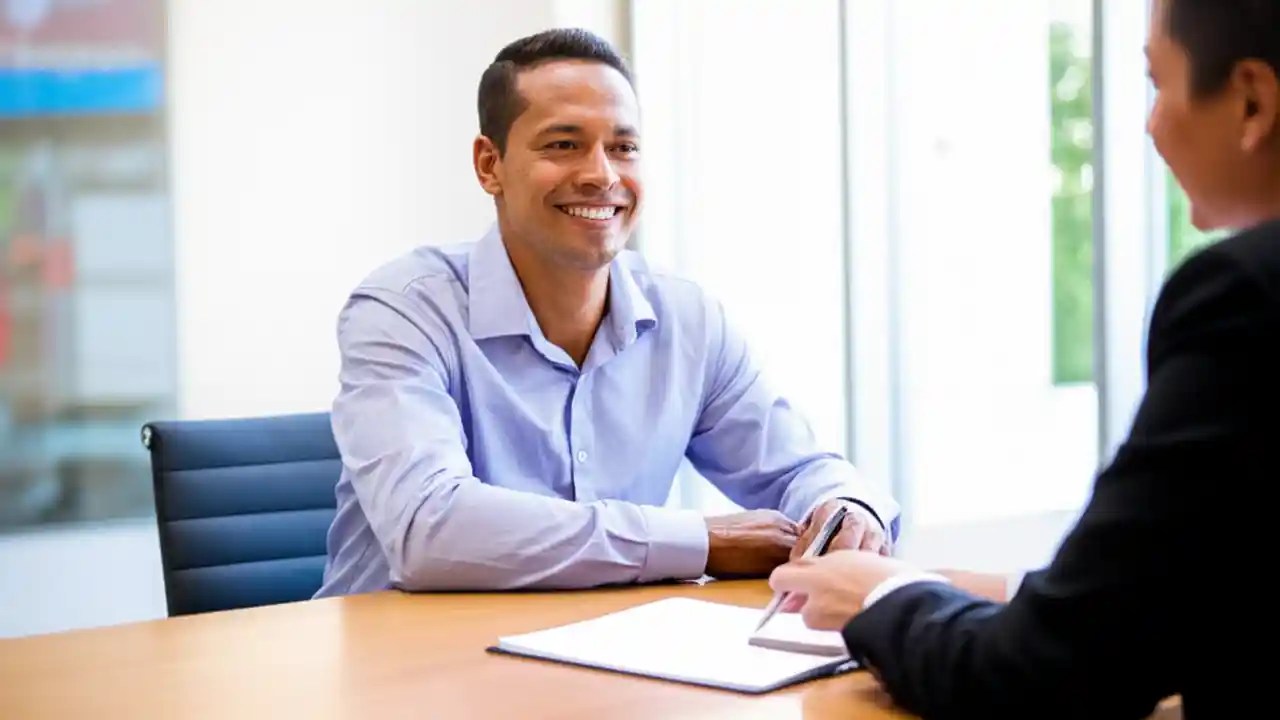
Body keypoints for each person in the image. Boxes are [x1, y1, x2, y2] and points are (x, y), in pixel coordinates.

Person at [768, 0, 1277, 717]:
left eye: (1157, 84)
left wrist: (881, 597)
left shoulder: (1246, 296)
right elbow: (1199, 582)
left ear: (1252, 100)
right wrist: (993, 588)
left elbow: (1049, 676)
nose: (1150, 124)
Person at [314, 28, 900, 597]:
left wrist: (847, 508)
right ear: (489, 165)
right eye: (563, 144)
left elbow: (798, 470)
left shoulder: (687, 318)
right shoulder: (404, 309)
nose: (602, 175)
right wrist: (699, 540)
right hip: (403, 669)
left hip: (601, 660)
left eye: (624, 147)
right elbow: (429, 529)